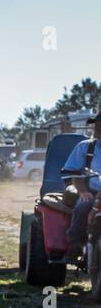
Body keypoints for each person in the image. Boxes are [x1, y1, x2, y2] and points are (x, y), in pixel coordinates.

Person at [64, 109, 101, 255]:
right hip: (90, 190)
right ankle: (75, 243)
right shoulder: (84, 147)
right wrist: (83, 191)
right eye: (97, 125)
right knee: (82, 206)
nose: (98, 128)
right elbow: (74, 172)